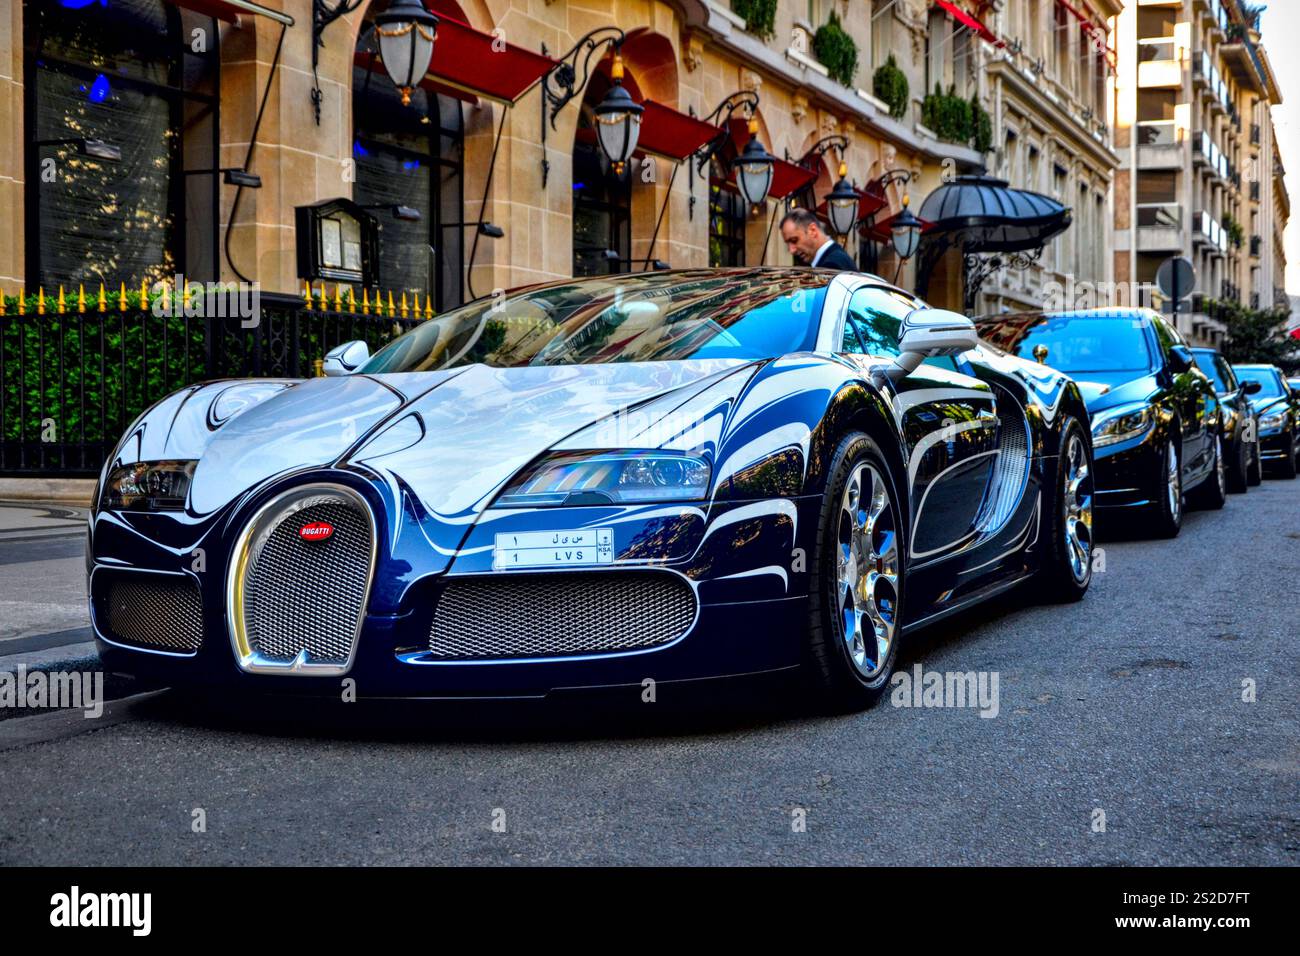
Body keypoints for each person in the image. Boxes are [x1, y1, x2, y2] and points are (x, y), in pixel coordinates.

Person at [779, 208, 856, 270]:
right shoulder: (833, 259)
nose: (791, 250)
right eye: (787, 243)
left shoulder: (831, 266)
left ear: (813, 230)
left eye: (794, 240)